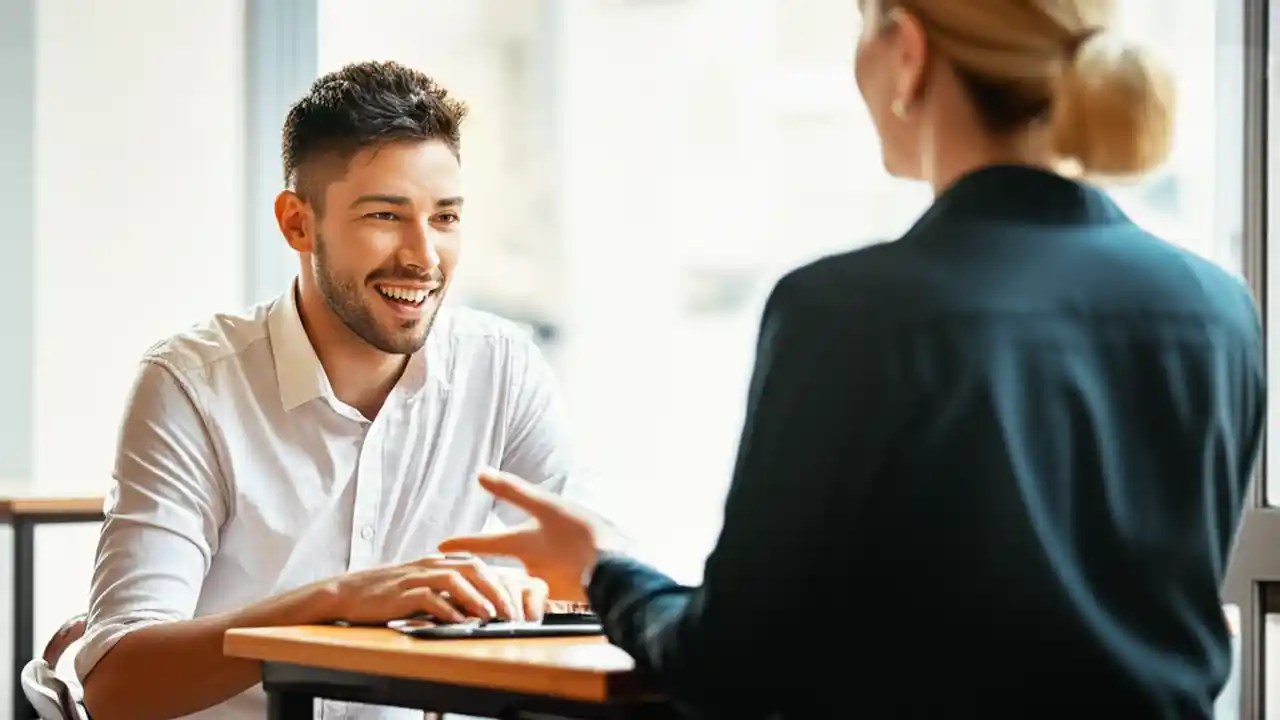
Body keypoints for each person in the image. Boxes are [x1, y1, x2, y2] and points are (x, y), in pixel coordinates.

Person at [441, 1, 1267, 718]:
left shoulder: (849, 312)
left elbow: (730, 665)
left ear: (907, 50)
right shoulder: (1216, 309)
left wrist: (599, 567)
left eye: (860, 29)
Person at [77, 60, 612, 720]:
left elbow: (598, 583)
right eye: (386, 215)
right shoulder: (191, 384)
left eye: (444, 218)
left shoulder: (502, 367)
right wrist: (335, 602)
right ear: (299, 225)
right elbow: (117, 687)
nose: (423, 257)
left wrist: (552, 589)